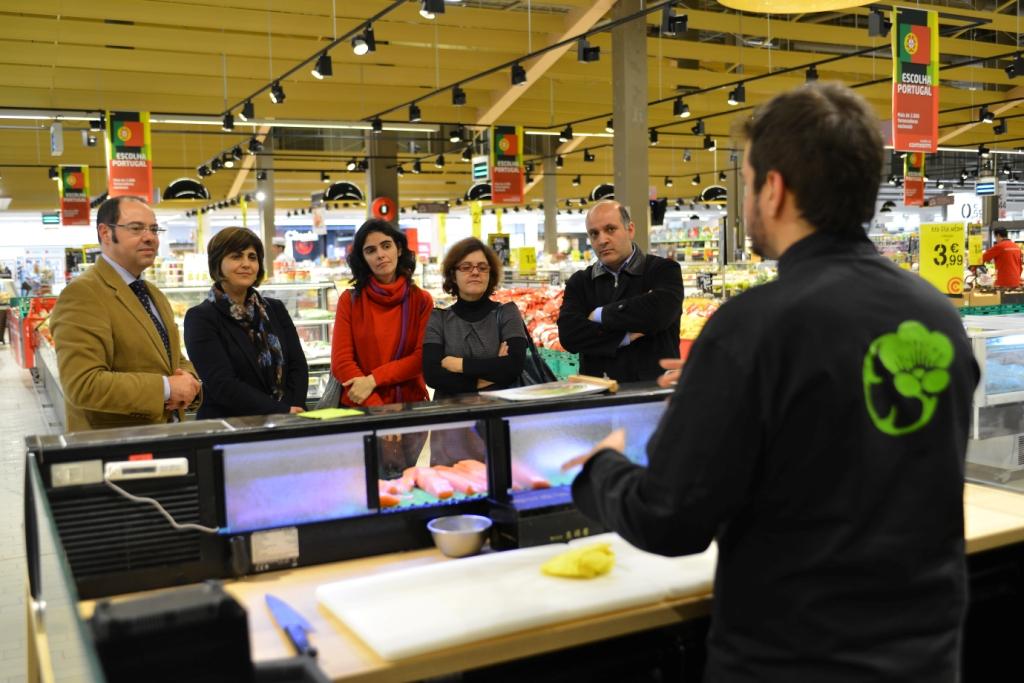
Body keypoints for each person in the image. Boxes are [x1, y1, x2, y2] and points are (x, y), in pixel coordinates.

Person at [564, 83, 979, 682]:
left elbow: (670, 520)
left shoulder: (752, 327)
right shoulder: (936, 316)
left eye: (749, 181)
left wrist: (600, 471)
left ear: (775, 189)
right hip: (927, 657)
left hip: (791, 659)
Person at [49, 196, 201, 431]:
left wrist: (190, 381)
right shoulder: (83, 293)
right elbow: (83, 384)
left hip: (166, 438)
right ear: (106, 233)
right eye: (136, 228)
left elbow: (172, 358)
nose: (150, 237)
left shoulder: (152, 293)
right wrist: (167, 388)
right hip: (117, 450)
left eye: (154, 229)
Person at [183, 227, 308, 419]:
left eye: (252, 257)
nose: (246, 264)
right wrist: (280, 410)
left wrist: (293, 406)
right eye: (236, 256)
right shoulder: (201, 317)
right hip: (232, 427)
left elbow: (298, 365)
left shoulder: (274, 309)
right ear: (217, 263)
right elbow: (222, 384)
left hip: (287, 421)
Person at [422, 237, 527, 466]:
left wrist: (459, 365)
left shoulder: (507, 313)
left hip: (498, 422)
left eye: (482, 267)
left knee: (501, 485)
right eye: (466, 267)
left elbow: (514, 365)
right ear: (453, 274)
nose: (475, 272)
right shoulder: (437, 318)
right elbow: (432, 375)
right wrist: (487, 378)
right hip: (450, 428)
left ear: (491, 273)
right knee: (453, 490)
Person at [557, 200, 683, 382]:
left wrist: (600, 315)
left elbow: (659, 313)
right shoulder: (581, 281)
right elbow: (569, 335)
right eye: (594, 234)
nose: (602, 240)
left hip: (653, 389)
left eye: (610, 229)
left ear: (630, 229)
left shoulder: (663, 270)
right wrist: (625, 335)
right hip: (598, 392)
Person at [332, 219, 433, 408]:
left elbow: (421, 358)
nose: (380, 255)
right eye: (371, 250)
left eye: (386, 246)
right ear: (363, 259)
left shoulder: (421, 300)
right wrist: (377, 407)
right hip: (362, 406)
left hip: (409, 407)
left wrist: (373, 380)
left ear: (399, 249)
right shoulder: (350, 300)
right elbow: (341, 362)